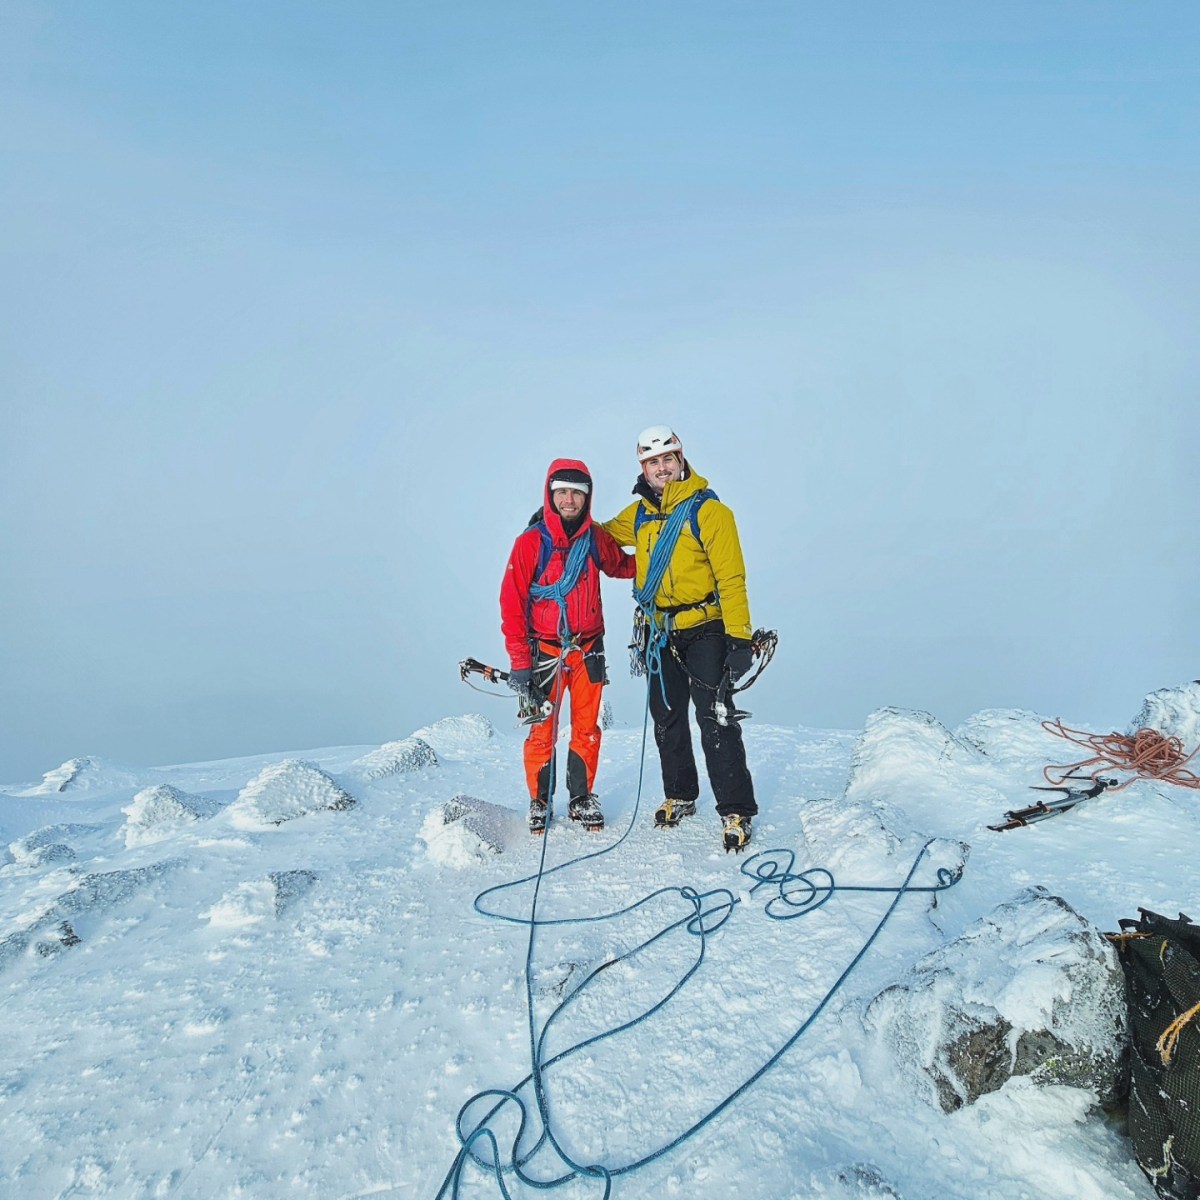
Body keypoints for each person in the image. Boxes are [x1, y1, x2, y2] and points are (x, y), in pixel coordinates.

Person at [602, 426, 758, 851]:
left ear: (682, 458)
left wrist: (739, 639)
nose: (662, 467)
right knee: (668, 719)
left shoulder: (709, 512)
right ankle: (681, 794)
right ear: (643, 468)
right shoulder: (638, 516)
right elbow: (600, 537)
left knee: (716, 718)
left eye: (668, 458)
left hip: (706, 628)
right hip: (659, 632)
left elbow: (731, 576)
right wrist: (560, 522)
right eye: (653, 462)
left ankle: (736, 808)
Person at [500, 459, 635, 835]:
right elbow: (511, 602)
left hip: (589, 648)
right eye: (562, 492)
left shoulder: (594, 539)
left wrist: (666, 559)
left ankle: (580, 797)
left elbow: (622, 566)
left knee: (587, 727)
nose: (569, 499)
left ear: (587, 497)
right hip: (543, 652)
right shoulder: (530, 543)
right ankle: (540, 802)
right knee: (542, 729)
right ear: (550, 493)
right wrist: (519, 661)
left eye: (577, 492)